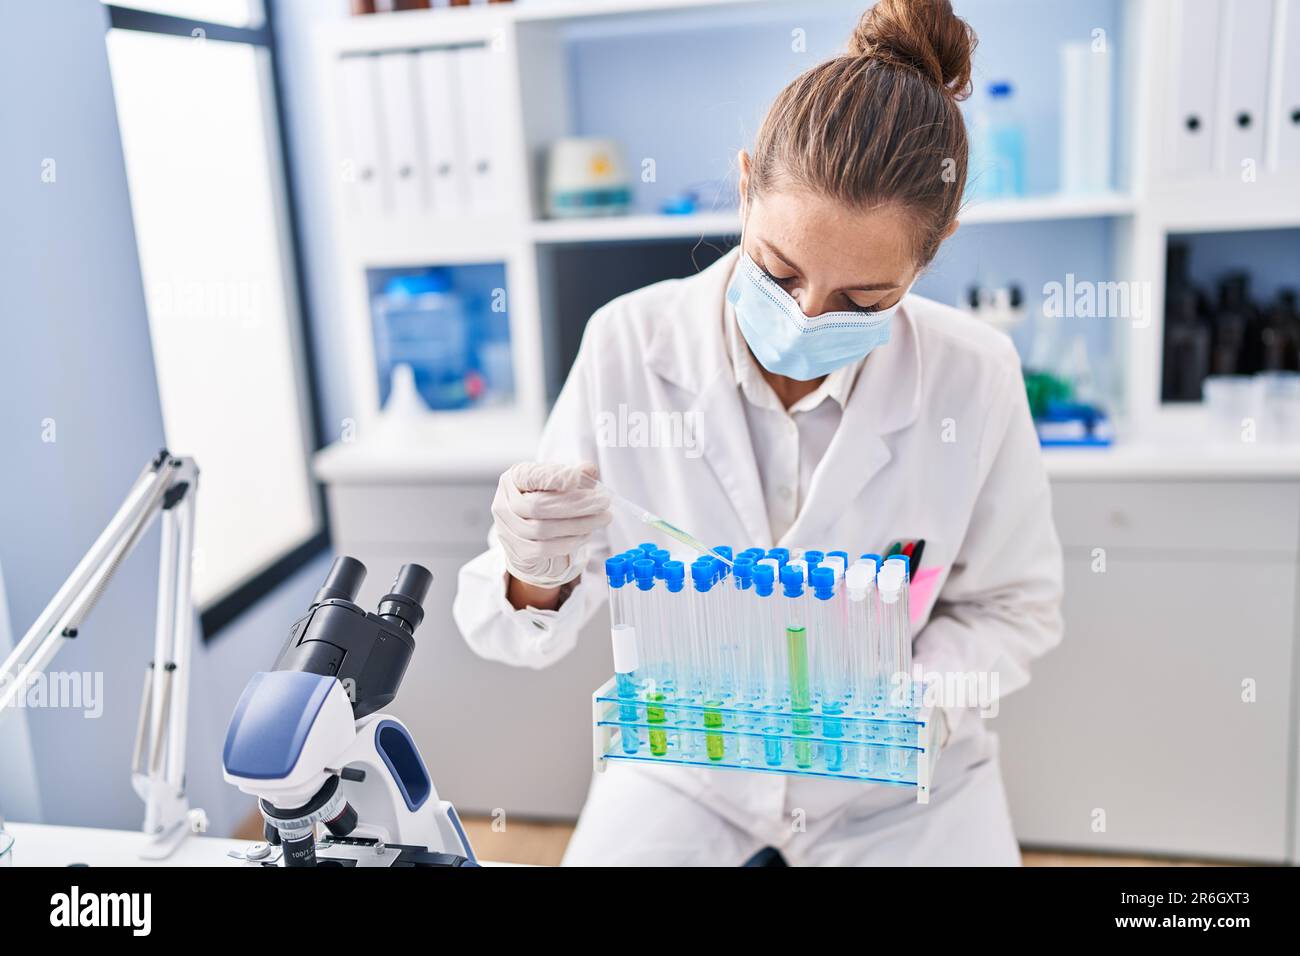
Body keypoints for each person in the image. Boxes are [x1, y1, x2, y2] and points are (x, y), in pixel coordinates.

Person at [453, 0, 1063, 866]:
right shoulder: (627, 343)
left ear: (934, 251)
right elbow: (510, 627)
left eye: (863, 300)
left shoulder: (975, 374)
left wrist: (910, 705)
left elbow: (1015, 607)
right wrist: (535, 570)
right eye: (778, 270)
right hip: (685, 769)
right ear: (745, 185)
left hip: (897, 792)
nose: (807, 318)